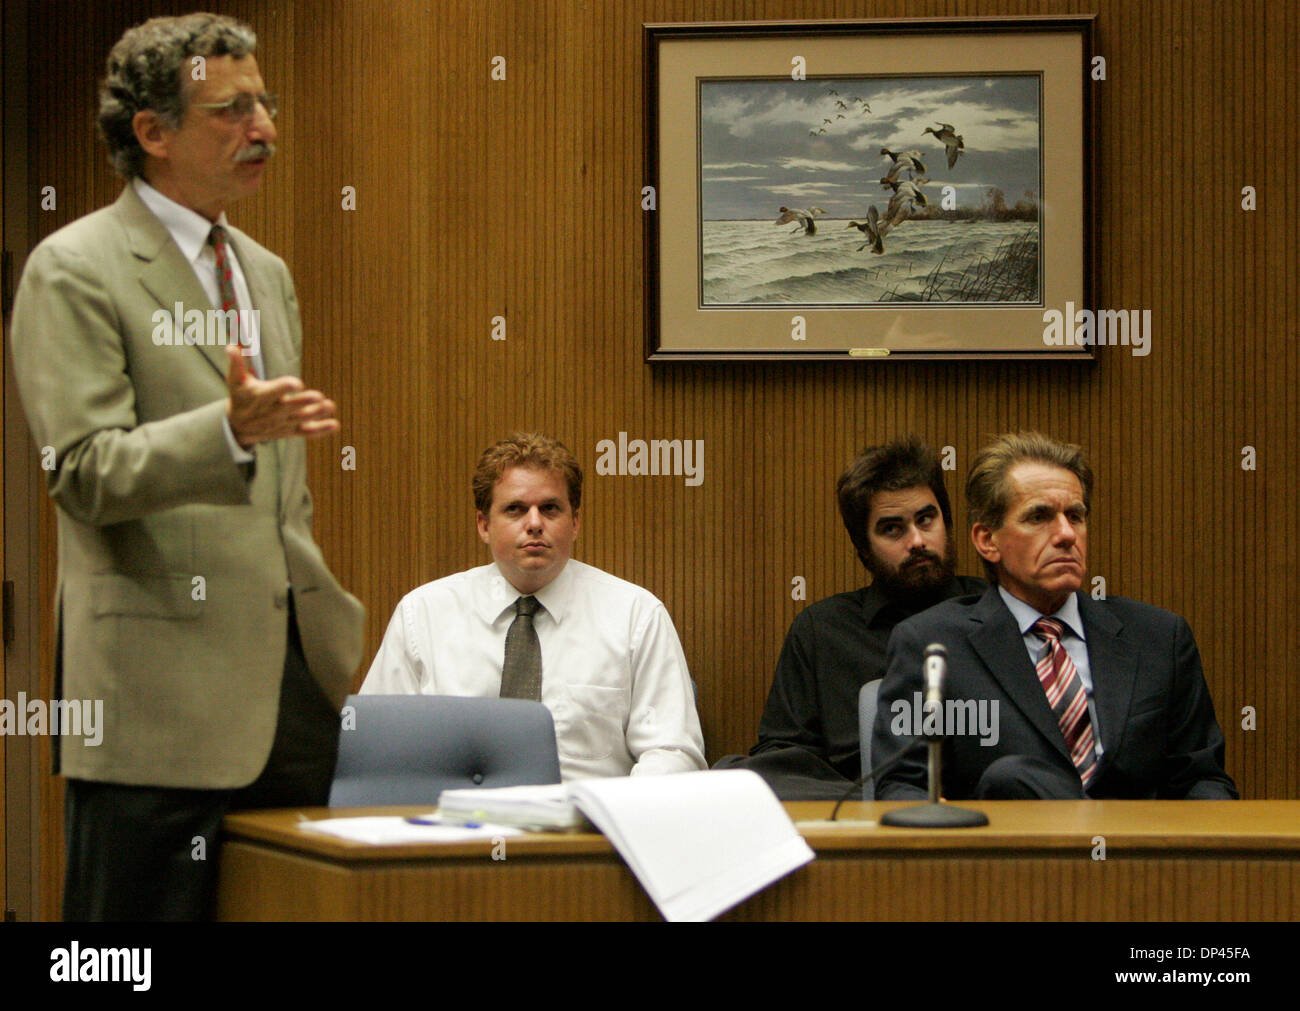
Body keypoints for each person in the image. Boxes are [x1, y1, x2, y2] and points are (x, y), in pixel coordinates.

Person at [9, 13, 365, 920]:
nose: (267, 130)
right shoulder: (75, 268)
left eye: (267, 103)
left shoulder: (265, 271)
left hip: (291, 692)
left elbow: (285, 484)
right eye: (233, 109)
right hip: (155, 707)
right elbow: (81, 469)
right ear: (153, 133)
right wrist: (228, 434)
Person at [872, 432, 1237, 800]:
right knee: (1011, 778)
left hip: (1135, 852)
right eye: (1039, 517)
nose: (1066, 535)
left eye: (1075, 516)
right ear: (987, 541)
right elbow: (904, 787)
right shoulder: (932, 645)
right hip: (1007, 852)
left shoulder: (1160, 638)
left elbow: (1202, 780)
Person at [362, 433, 706, 780]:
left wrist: (606, 818)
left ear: (574, 524)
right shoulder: (422, 615)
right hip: (454, 824)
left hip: (584, 825)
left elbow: (673, 752)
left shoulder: (635, 615)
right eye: (515, 509)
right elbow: (374, 745)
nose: (535, 523)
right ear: (484, 525)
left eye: (550, 508)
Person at [740, 437, 985, 796]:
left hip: (978, 806)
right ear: (863, 550)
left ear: (946, 522)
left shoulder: (994, 612)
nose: (916, 540)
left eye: (926, 519)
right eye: (892, 528)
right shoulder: (822, 630)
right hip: (857, 810)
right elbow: (780, 757)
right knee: (738, 775)